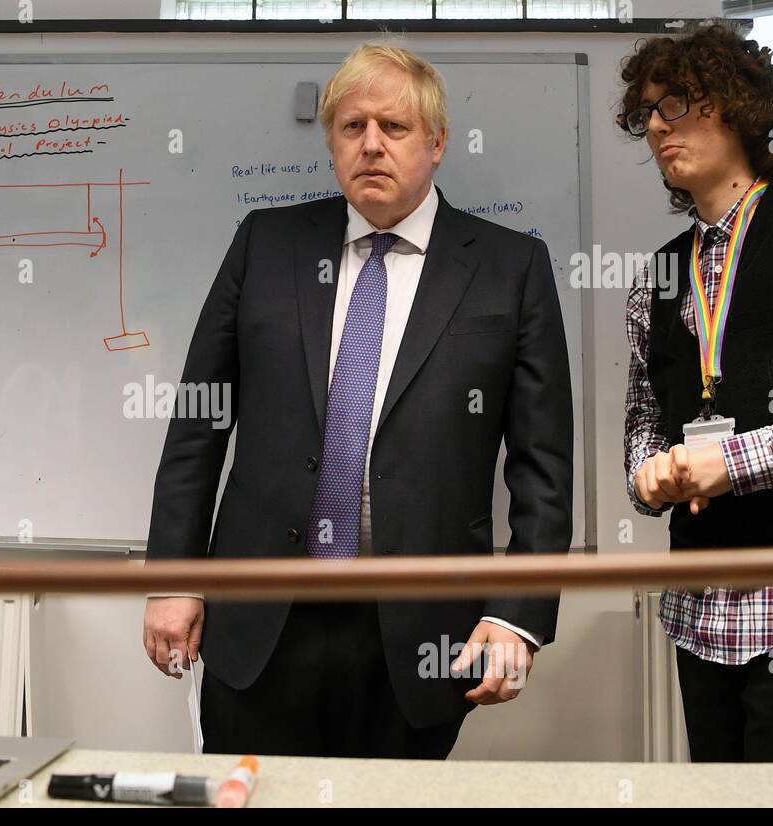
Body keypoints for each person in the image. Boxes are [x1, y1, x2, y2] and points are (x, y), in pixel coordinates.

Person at [143, 42, 573, 759]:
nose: (371, 144)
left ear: (437, 143)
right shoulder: (266, 243)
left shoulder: (511, 267)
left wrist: (517, 615)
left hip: (419, 632)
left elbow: (543, 466)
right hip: (261, 622)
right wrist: (173, 577)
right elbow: (197, 425)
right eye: (352, 127)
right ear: (332, 143)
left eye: (394, 127)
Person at [619, 24, 773, 761]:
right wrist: (650, 472)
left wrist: (733, 462)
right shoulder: (655, 276)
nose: (655, 126)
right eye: (647, 113)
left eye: (675, 103)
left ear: (737, 107)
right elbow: (643, 420)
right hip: (699, 616)